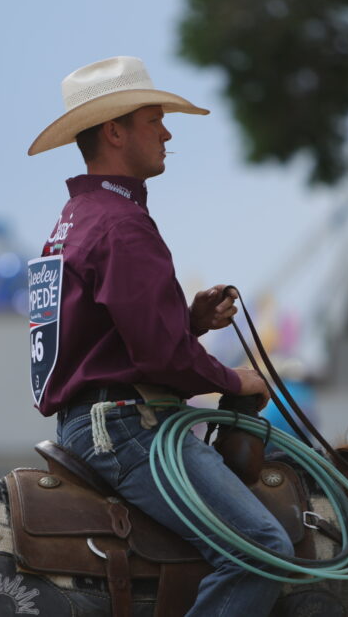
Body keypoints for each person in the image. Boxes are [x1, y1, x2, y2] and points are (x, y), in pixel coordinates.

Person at [26, 56, 292, 617]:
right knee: (262, 549)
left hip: (87, 424)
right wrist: (235, 378)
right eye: (154, 119)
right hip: (127, 430)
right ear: (115, 131)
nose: (168, 131)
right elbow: (161, 357)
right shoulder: (121, 225)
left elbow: (101, 339)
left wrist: (187, 321)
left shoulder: (76, 217)